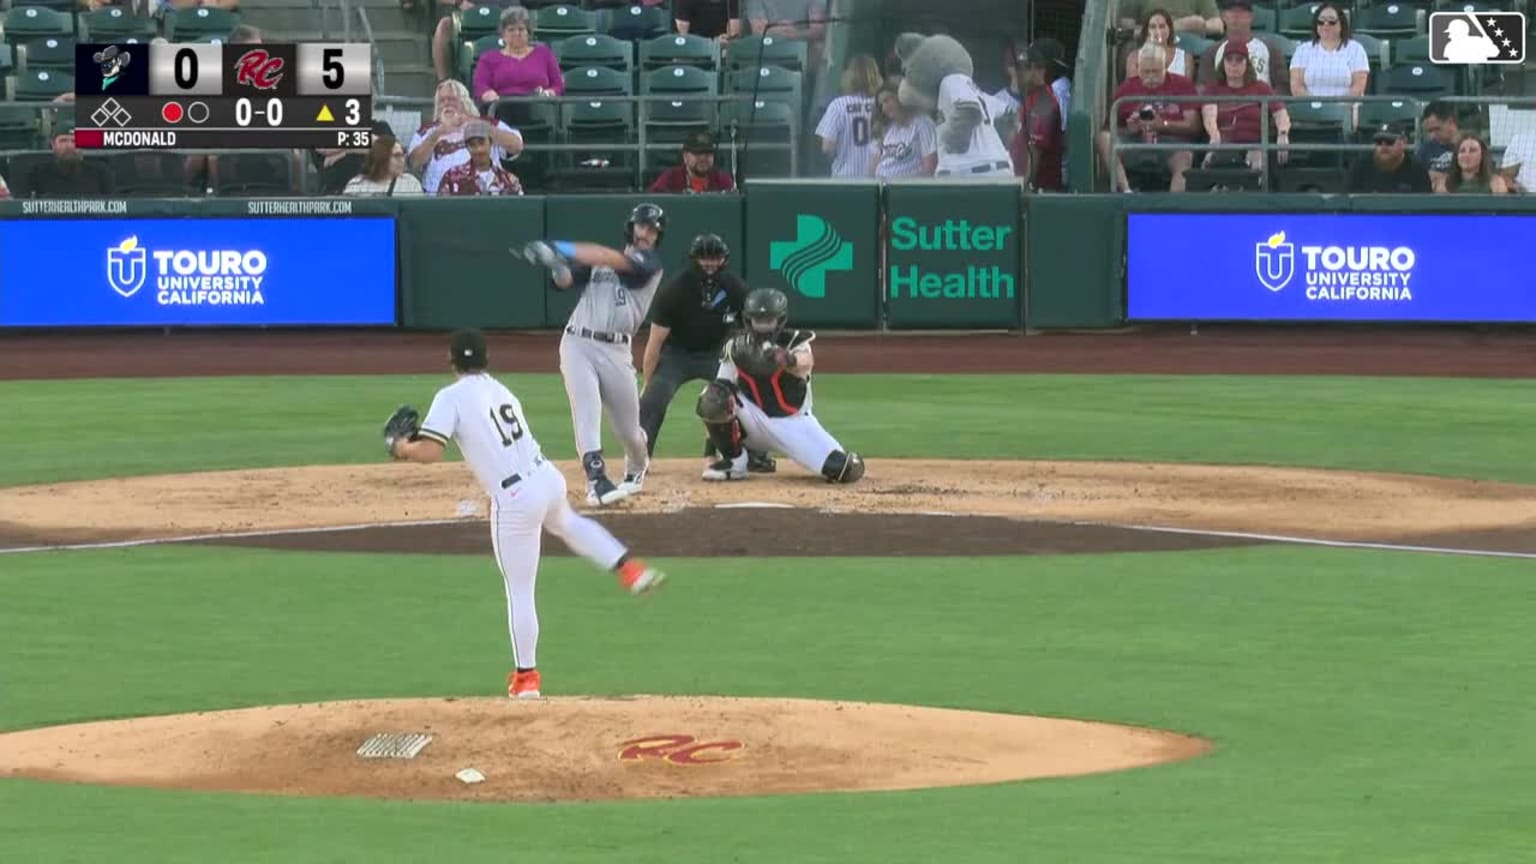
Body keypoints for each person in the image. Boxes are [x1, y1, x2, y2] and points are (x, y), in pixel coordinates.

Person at [383, 329, 667, 701]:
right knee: (567, 522)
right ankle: (629, 568)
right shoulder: (501, 390)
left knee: (519, 589)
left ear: (451, 361)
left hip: (515, 497)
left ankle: (526, 679)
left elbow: (430, 451)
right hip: (546, 478)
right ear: (485, 360)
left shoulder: (449, 396)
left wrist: (401, 447)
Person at [519, 204, 668, 507]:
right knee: (586, 409)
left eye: (652, 229)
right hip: (577, 342)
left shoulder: (650, 263)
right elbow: (564, 282)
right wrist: (556, 264)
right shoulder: (598, 263)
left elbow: (608, 257)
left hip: (617, 350)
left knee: (629, 431)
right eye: (642, 226)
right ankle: (596, 478)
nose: (646, 233)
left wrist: (558, 247)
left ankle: (637, 465)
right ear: (632, 227)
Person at [636, 233, 773, 483]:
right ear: (694, 259)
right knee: (653, 399)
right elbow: (655, 342)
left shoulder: (734, 287)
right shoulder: (675, 290)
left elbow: (754, 328)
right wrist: (648, 382)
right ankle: (639, 458)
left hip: (716, 354)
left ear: (724, 259)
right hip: (677, 355)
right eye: (704, 258)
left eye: (715, 258)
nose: (710, 263)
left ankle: (733, 454)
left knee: (737, 397)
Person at [694, 288, 864, 484]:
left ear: (780, 320)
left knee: (844, 470)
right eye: (758, 320)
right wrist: (709, 454)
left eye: (769, 320)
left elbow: (806, 362)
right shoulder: (736, 347)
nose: (763, 326)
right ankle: (735, 463)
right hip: (753, 418)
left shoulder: (794, 342)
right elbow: (718, 392)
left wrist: (787, 359)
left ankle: (757, 456)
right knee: (712, 396)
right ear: (748, 320)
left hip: (793, 423)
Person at [472, 6, 565, 127]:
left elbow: (558, 85)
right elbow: (480, 86)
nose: (517, 33)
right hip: (502, 110)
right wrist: (487, 93)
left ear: (528, 32)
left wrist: (549, 93)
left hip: (538, 109)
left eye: (521, 29)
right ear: (503, 34)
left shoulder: (544, 53)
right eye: (511, 30)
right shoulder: (488, 58)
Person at [814, 54, 882, 178]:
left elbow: (827, 147)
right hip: (876, 177)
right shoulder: (882, 104)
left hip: (845, 177)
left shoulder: (838, 105)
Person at [1287, 3, 1368, 99]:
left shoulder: (1356, 49)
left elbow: (1358, 87)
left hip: (1347, 108)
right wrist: (1313, 106)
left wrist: (1340, 108)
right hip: (1310, 109)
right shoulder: (1302, 50)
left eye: (1331, 21)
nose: (1326, 24)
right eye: (1321, 21)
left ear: (1341, 24)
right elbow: (1296, 86)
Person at [868, 78, 938, 178]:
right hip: (882, 186)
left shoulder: (923, 124)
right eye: (881, 105)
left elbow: (929, 166)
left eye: (887, 100)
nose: (884, 107)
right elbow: (875, 165)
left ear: (900, 97)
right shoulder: (889, 129)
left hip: (905, 188)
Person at [437, 120, 524, 196]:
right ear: (467, 148)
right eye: (472, 145)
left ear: (490, 143)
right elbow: (442, 210)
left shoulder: (509, 180)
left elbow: (519, 210)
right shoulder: (451, 177)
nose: (479, 150)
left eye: (481, 143)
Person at [1346, 124, 1431, 193]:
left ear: (1404, 143)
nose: (1383, 146)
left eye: (1389, 141)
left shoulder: (1417, 170)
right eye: (1379, 142)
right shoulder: (1360, 167)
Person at [648, 129, 736, 193]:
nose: (703, 158)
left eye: (708, 153)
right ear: (685, 157)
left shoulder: (722, 180)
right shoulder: (671, 177)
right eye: (697, 153)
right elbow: (655, 199)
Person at [342, 135, 426, 196]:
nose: (402, 160)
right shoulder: (357, 186)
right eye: (397, 156)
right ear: (382, 157)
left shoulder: (410, 184)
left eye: (403, 155)